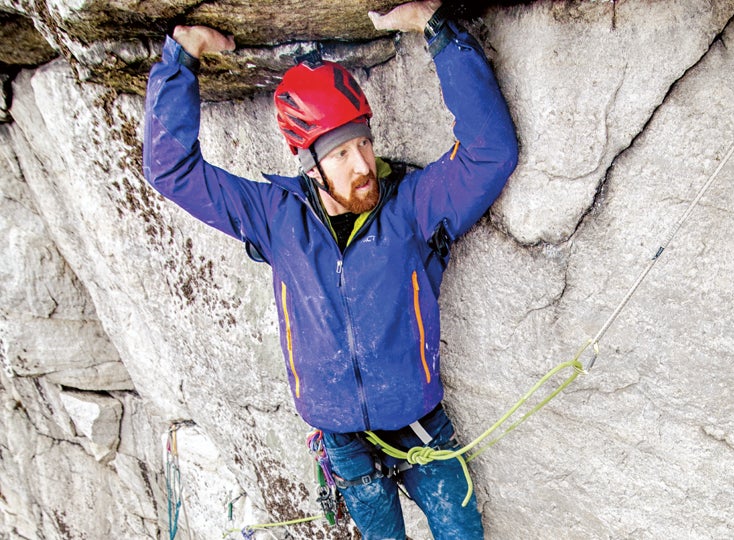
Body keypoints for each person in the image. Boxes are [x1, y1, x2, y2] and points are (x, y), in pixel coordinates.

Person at [142, 1, 518, 538]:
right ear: (309, 163)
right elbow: (169, 168)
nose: (363, 164)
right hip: (342, 441)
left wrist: (437, 31)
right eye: (341, 154)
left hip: (417, 424)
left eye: (364, 142)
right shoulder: (275, 219)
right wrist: (181, 59)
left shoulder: (412, 207)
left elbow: (490, 151)